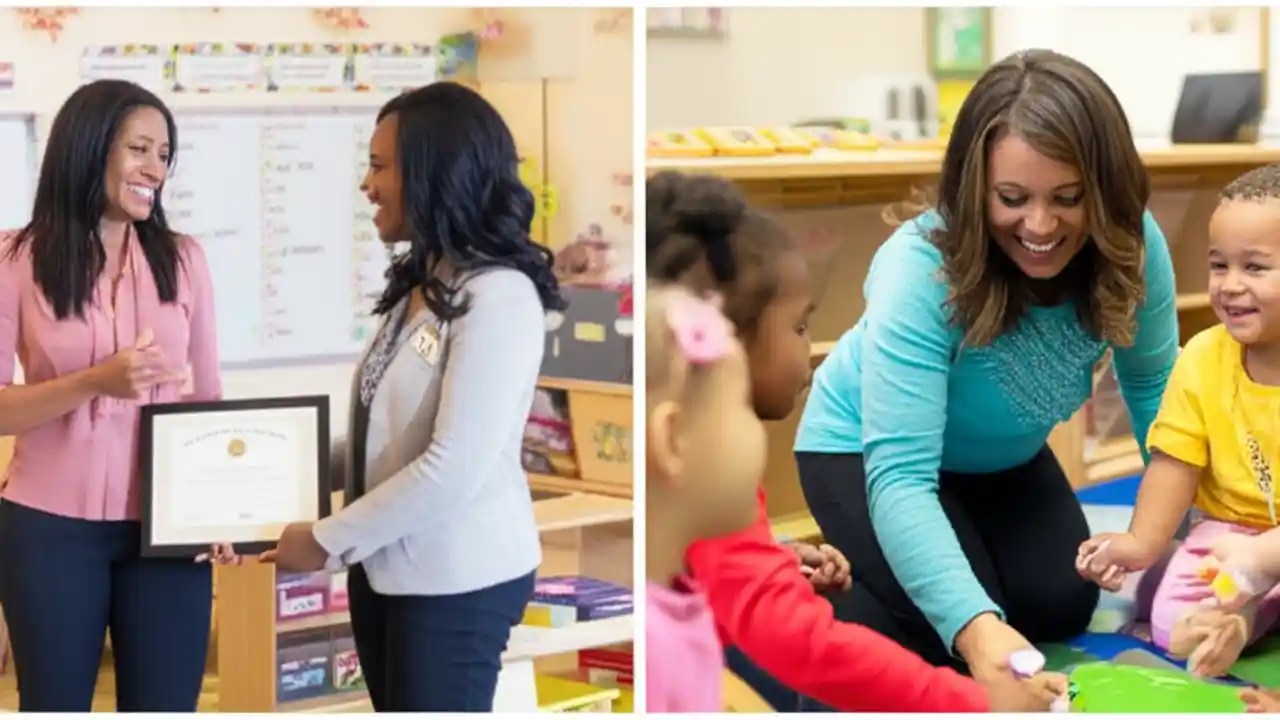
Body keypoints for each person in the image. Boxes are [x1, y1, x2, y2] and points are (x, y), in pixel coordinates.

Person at [792, 47, 1181, 688]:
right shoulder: (920, 269)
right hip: (863, 454)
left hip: (1002, 458)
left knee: (1057, 604)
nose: (1039, 224)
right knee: (955, 635)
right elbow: (902, 477)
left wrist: (1207, 530)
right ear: (974, 188)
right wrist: (975, 630)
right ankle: (795, 606)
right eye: (1011, 197)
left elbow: (1152, 386)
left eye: (1068, 197)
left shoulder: (1132, 244)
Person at [648, 170, 1064, 711]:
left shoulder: (705, 481)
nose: (810, 352)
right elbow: (803, 644)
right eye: (799, 328)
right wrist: (976, 705)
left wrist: (771, 555)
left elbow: (716, 564)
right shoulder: (711, 472)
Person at [261, 81, 565, 712]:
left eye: (378, 166)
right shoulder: (424, 283)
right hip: (388, 573)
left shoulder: (500, 296)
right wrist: (274, 468)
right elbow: (385, 437)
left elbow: (452, 466)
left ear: (431, 171)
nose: (366, 185)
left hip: (458, 580)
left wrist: (324, 538)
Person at [0, 79, 237, 712]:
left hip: (167, 528)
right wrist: (93, 382)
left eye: (164, 155)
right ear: (90, 145)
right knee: (53, 703)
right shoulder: (14, 260)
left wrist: (219, 510)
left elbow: (204, 400)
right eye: (139, 149)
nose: (154, 169)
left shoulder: (185, 260)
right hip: (47, 527)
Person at [1078, 164, 1280, 679]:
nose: (1230, 286)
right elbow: (1175, 462)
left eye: (1255, 268)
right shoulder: (1202, 358)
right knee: (1171, 623)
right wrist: (1141, 543)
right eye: (1219, 266)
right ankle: (1241, 618)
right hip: (1227, 532)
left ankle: (1247, 608)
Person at [645, 284, 764, 712]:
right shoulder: (651, 646)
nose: (758, 432)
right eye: (743, 407)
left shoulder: (674, 608)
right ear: (673, 440)